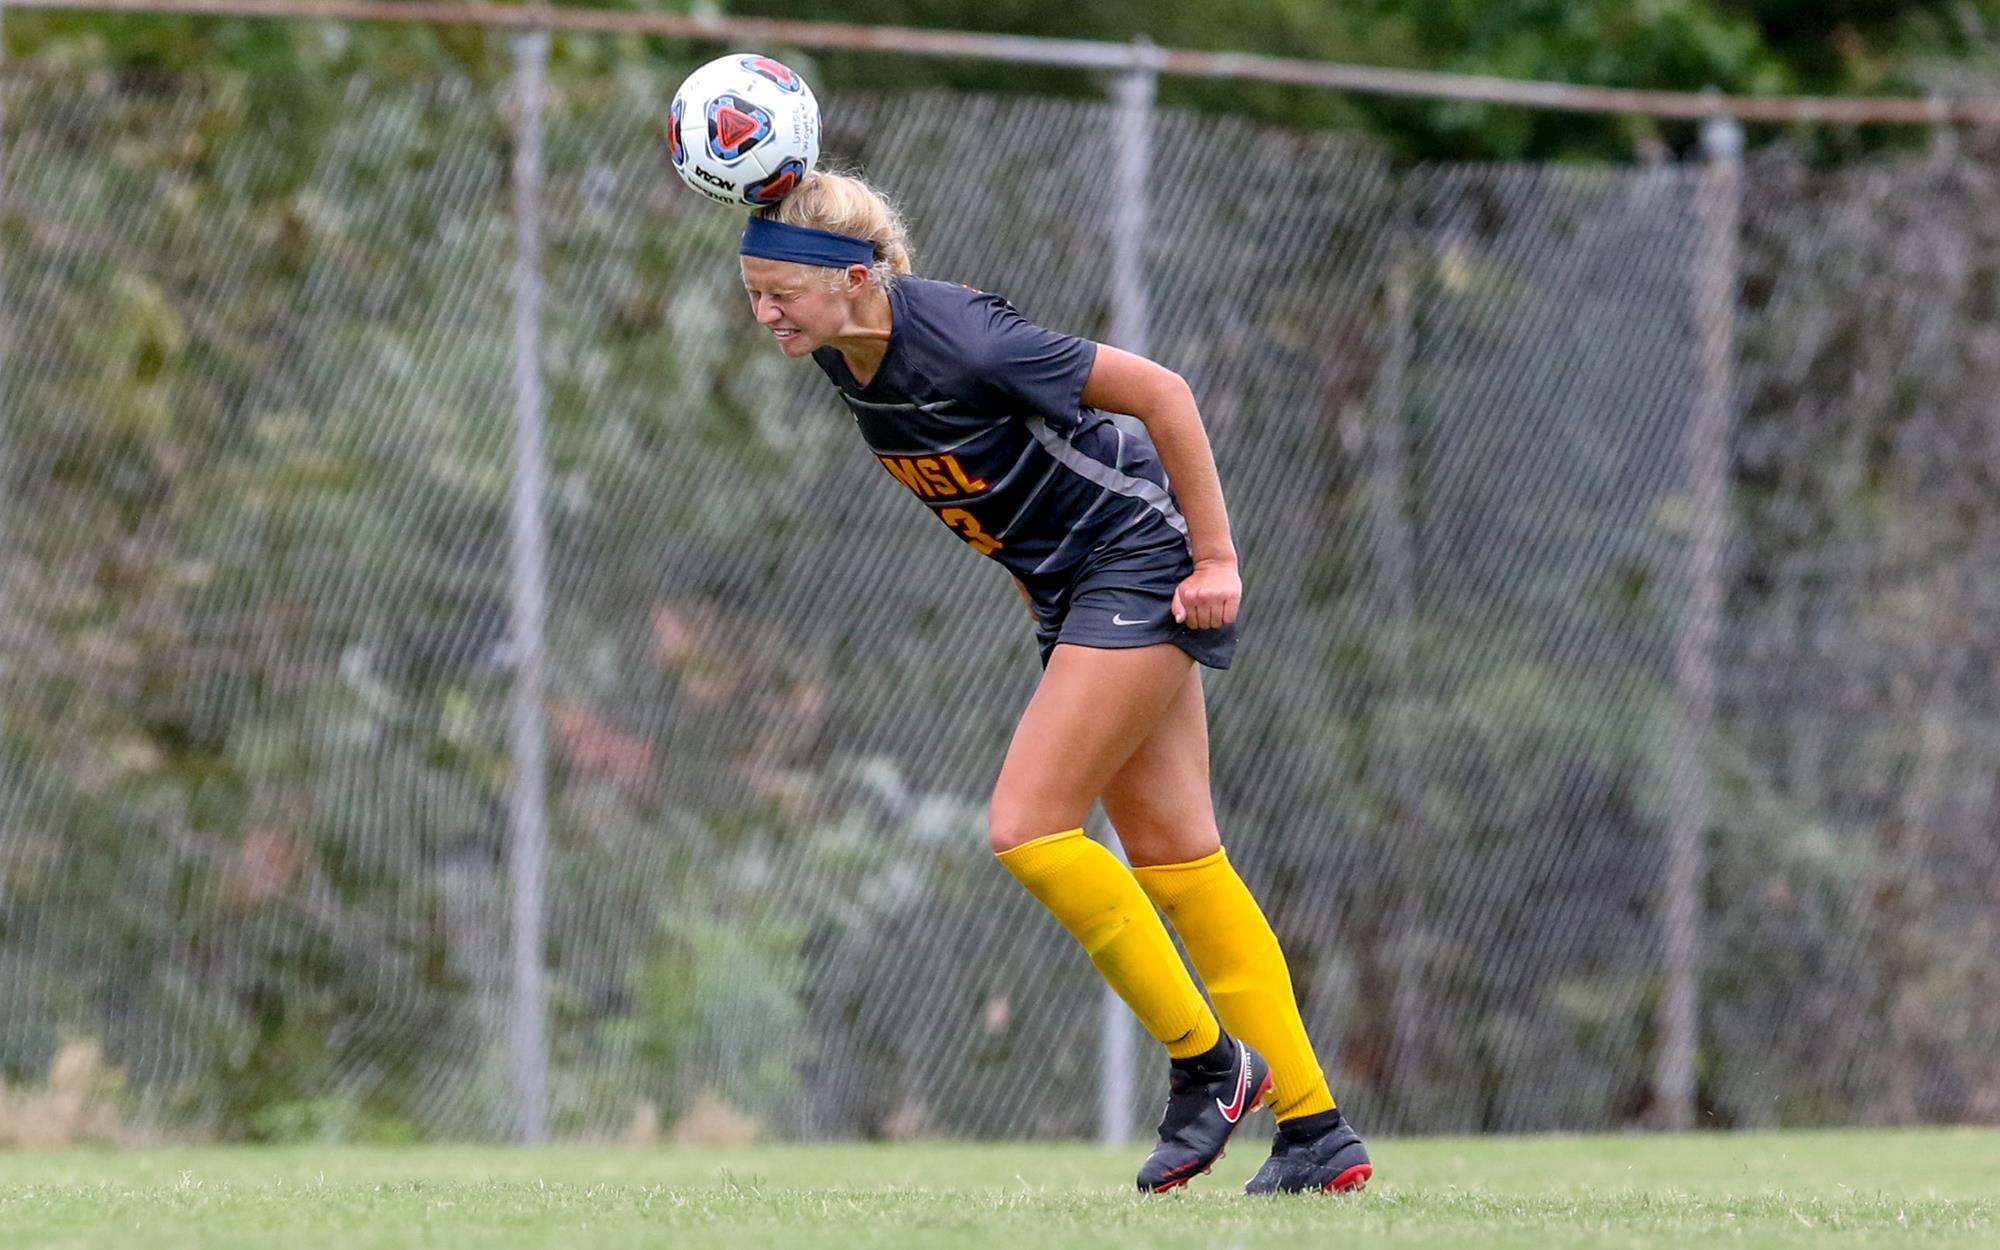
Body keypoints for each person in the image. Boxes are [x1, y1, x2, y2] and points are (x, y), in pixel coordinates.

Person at [736, 170, 1371, 1195]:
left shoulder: (964, 338)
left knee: (1026, 825)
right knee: (1178, 856)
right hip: (1075, 590)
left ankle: (1210, 1065)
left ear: (857, 279)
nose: (763, 313)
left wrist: (1215, 561)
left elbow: (1161, 392)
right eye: (752, 292)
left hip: (1134, 563)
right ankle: (1315, 1132)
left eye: (781, 294)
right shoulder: (838, 348)